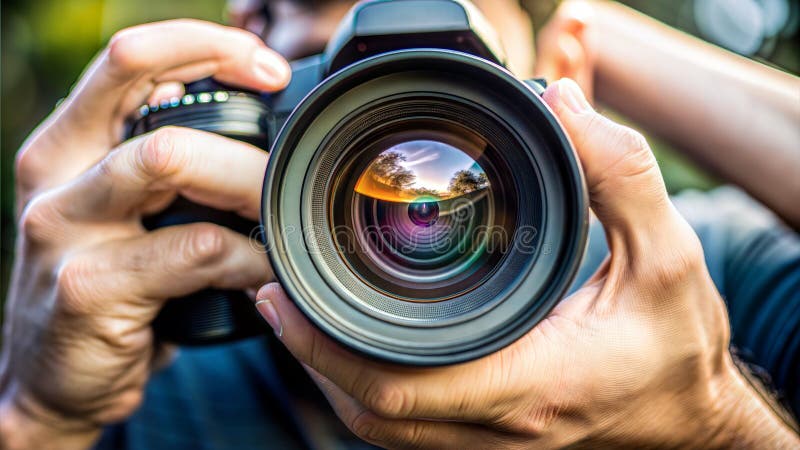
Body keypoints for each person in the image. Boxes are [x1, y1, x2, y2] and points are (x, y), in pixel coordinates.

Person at [1, 0, 798, 448]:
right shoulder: (156, 367)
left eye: (461, 84)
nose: (396, 153)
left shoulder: (713, 276)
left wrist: (708, 421)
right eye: (337, 93)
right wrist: (39, 421)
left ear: (563, 86)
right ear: (258, 108)